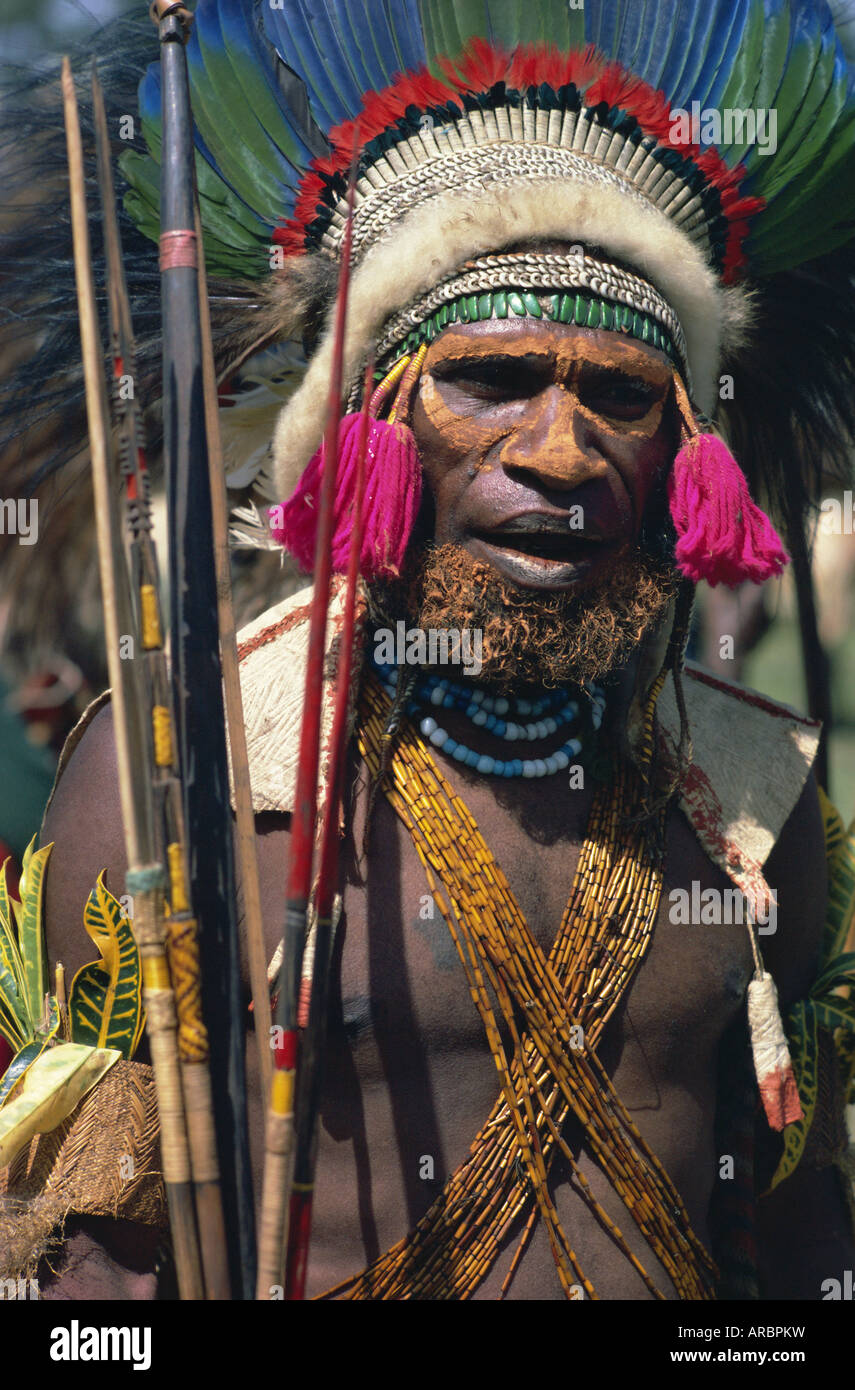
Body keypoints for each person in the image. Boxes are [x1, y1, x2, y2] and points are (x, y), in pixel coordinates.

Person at [4, 0, 855, 1301]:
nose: (561, 452)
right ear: (370, 434)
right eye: (498, 378)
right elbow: (84, 1290)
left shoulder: (755, 800)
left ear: (684, 455)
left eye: (620, 395)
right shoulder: (188, 784)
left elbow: (800, 1246)